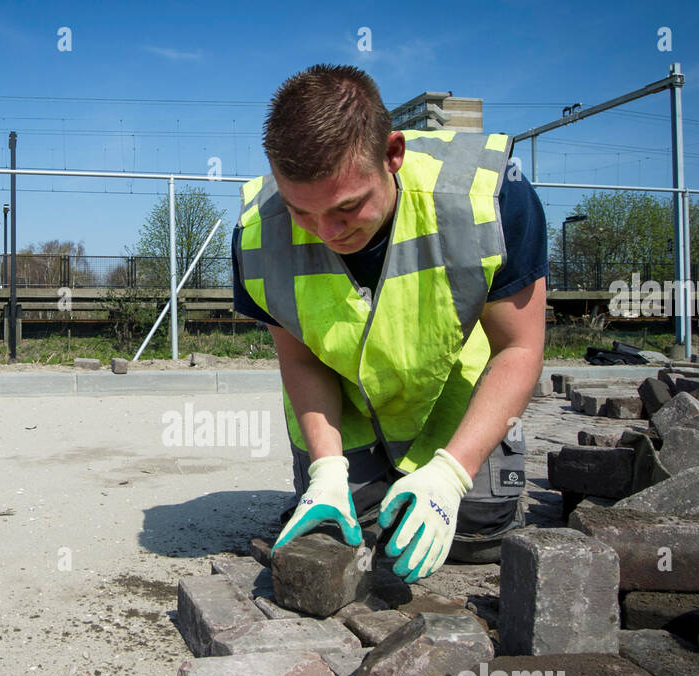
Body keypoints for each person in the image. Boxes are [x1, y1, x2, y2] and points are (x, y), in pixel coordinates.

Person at [232, 64, 548, 582]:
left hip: (452, 399)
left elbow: (519, 349)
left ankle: (452, 483)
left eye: (347, 208)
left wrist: (449, 476)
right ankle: (350, 479)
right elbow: (298, 358)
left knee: (475, 531)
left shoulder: (487, 198)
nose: (326, 231)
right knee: (341, 530)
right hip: (346, 411)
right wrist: (328, 470)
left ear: (392, 154)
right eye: (302, 213)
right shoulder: (257, 234)